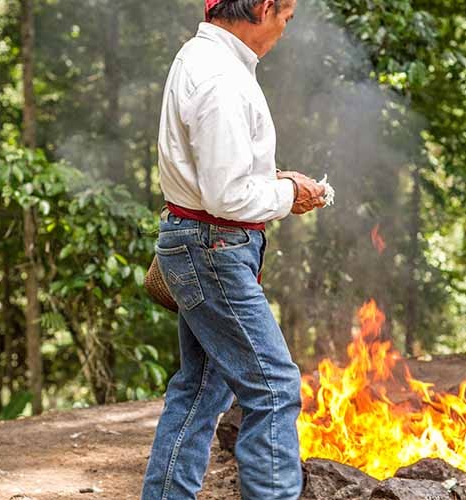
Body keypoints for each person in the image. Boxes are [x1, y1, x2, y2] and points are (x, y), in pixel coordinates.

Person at [140, 1, 326, 499]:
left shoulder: (202, 57)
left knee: (201, 389)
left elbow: (223, 175)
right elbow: (227, 196)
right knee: (273, 387)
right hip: (214, 247)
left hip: (203, 243)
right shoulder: (221, 78)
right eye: (286, 16)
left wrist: (275, 180)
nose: (285, 29)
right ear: (264, 8)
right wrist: (291, 194)